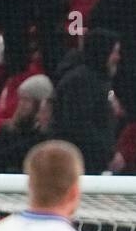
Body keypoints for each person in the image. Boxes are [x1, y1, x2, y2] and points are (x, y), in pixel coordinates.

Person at [53, 28, 123, 174]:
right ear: (103, 51)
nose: (117, 57)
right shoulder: (80, 82)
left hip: (91, 166)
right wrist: (108, 154)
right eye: (115, 51)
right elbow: (79, 126)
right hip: (79, 168)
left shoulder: (99, 80)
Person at [0, 74, 55, 174]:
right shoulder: (8, 129)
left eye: (26, 100)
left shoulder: (43, 136)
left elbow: (11, 156)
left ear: (40, 104)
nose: (21, 104)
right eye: (21, 99)